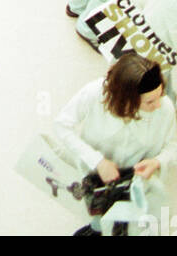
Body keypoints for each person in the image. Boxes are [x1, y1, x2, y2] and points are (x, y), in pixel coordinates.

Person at [54, 55, 177, 237]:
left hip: (131, 184)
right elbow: (62, 125)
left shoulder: (164, 108)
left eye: (160, 95)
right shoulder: (95, 93)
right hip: (93, 177)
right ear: (127, 99)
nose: (158, 105)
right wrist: (98, 161)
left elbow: (173, 146)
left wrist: (157, 162)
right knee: (96, 226)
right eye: (149, 102)